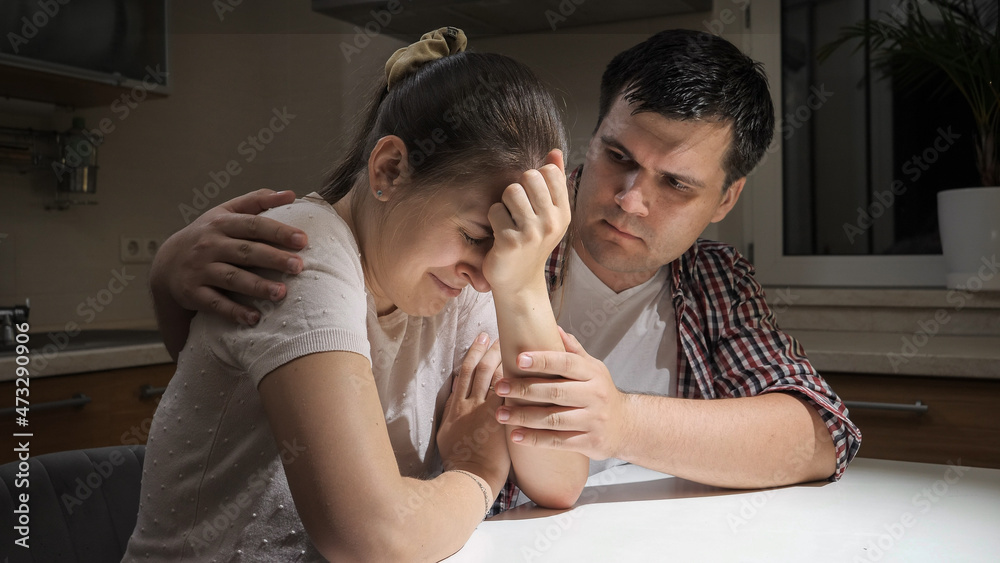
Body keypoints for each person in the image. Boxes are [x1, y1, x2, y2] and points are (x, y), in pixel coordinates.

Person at [149, 29, 861, 507]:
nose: (629, 199)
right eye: (617, 157)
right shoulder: (481, 240)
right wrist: (167, 284)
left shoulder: (712, 280)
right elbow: (265, 378)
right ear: (594, 135)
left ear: (725, 199)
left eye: (675, 184)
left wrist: (618, 420)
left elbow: (817, 435)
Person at [124, 28, 586, 562]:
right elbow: (372, 537)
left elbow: (561, 479)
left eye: (507, 251)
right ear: (389, 168)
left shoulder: (463, 277)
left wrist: (524, 283)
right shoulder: (303, 254)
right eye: (475, 236)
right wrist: (476, 473)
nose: (486, 276)